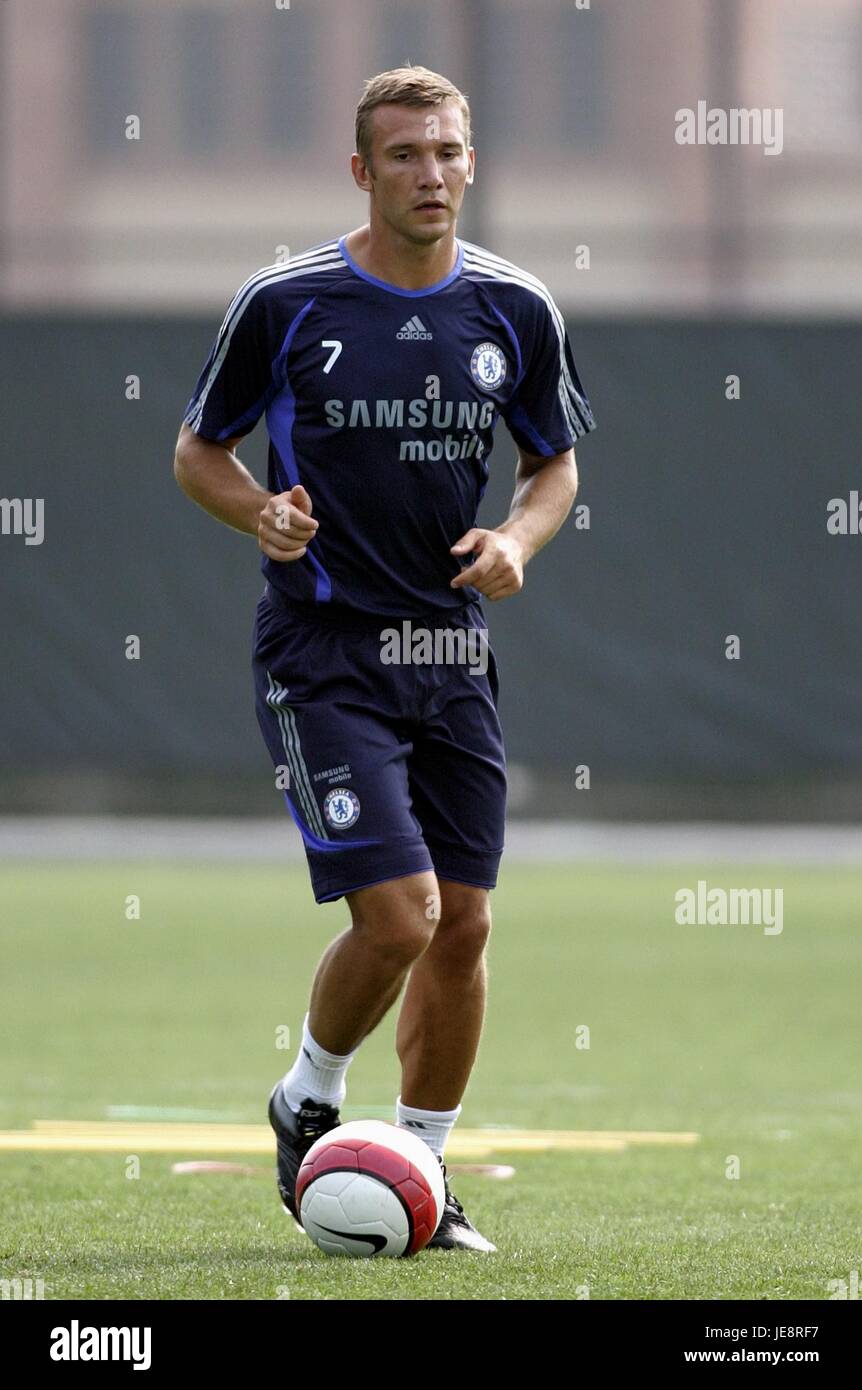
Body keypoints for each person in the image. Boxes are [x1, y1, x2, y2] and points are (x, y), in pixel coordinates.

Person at [174, 65, 596, 1252]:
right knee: (402, 918)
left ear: (472, 163)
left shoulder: (514, 309)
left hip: (449, 652)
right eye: (405, 154)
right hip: (322, 650)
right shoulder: (286, 300)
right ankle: (308, 1094)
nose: (431, 173)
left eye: (448, 152)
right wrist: (256, 509)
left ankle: (423, 1169)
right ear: (362, 171)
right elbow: (198, 450)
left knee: (462, 925)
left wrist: (516, 537)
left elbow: (553, 463)